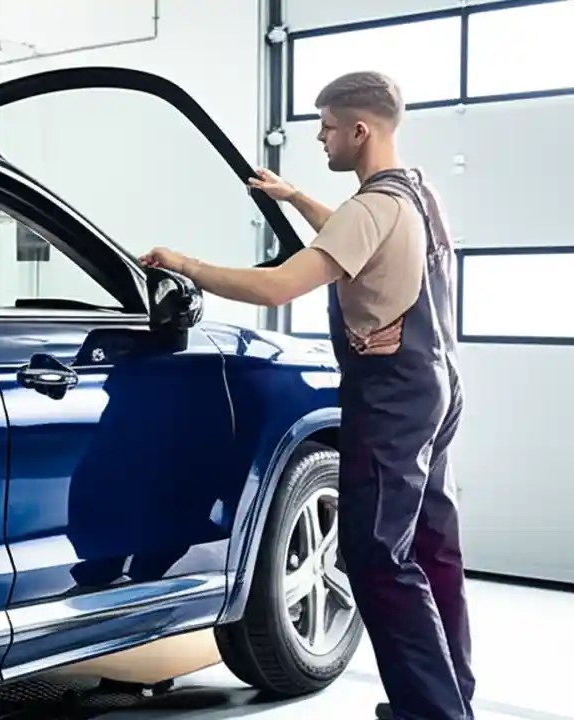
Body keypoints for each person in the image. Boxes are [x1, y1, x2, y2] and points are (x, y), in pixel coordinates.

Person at [140, 71, 474, 720]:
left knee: (376, 555)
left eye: (326, 126)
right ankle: (450, 697)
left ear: (360, 130)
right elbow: (355, 240)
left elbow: (278, 287)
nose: (319, 137)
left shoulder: (370, 207)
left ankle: (430, 713)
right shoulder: (415, 193)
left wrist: (184, 263)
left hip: (391, 395)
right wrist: (295, 198)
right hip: (437, 385)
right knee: (432, 550)